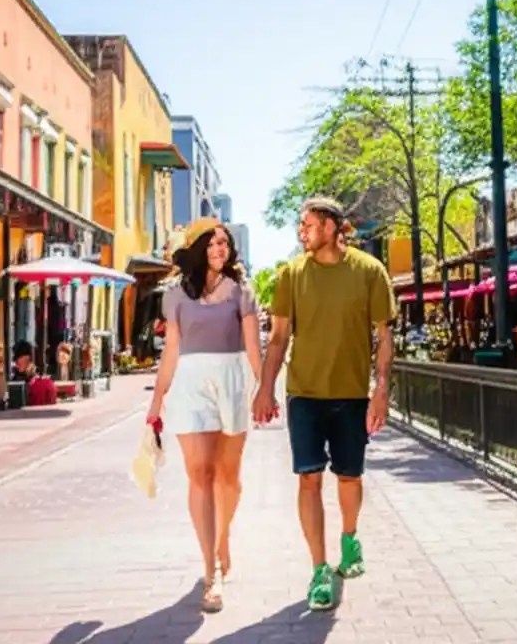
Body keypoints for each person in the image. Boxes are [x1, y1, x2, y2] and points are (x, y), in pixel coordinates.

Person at [252, 196, 396, 612]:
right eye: (301, 225)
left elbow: (384, 336)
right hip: (304, 395)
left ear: (332, 227)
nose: (302, 232)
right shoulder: (291, 274)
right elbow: (279, 338)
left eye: (309, 225)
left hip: (351, 394)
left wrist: (381, 390)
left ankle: (349, 540)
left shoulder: (370, 271)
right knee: (309, 479)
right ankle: (319, 570)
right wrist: (265, 388)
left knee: (349, 477)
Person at [146, 217, 264, 614]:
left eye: (223, 243)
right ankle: (211, 570)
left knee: (229, 478)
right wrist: (157, 400)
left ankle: (221, 536)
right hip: (190, 383)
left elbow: (253, 348)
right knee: (201, 473)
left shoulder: (242, 291)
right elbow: (172, 349)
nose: (218, 249)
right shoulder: (175, 295)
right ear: (198, 249)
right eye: (211, 244)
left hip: (231, 381)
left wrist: (265, 388)